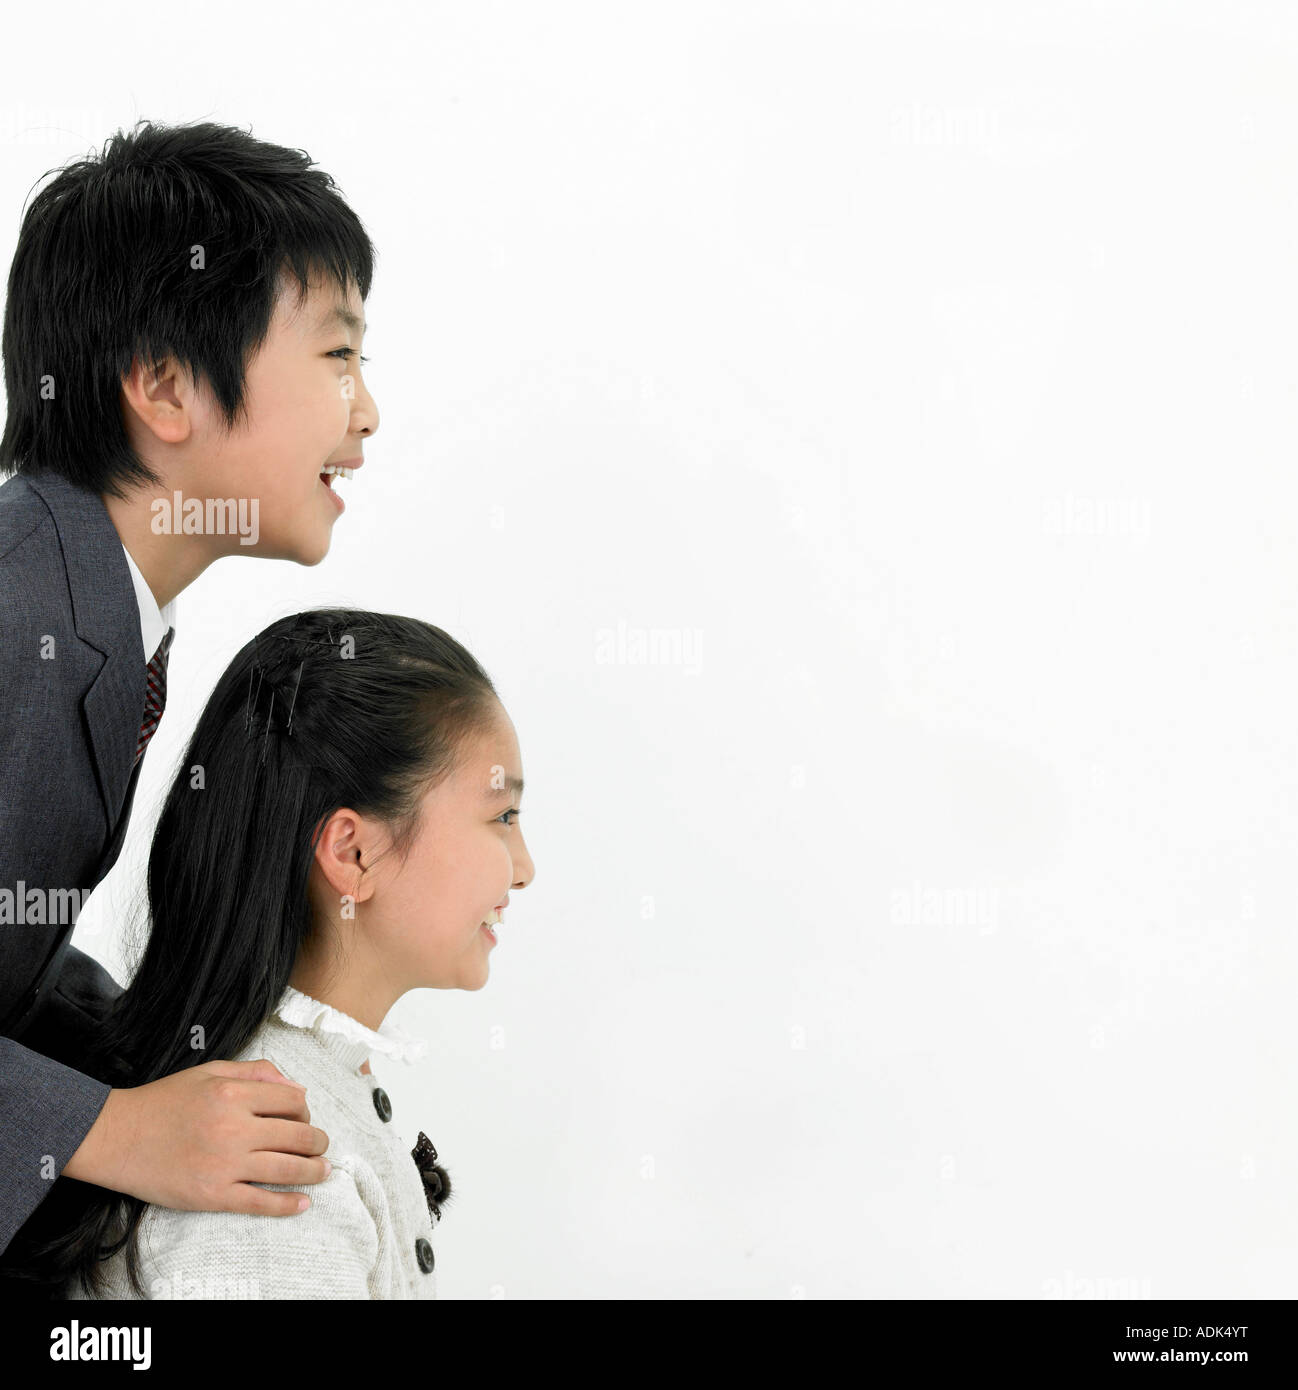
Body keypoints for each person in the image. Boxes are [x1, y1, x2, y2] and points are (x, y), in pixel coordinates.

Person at [0, 119, 379, 1261]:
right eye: (336, 356)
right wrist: (112, 1128)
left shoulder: (79, 596)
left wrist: (110, 1028)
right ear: (166, 388)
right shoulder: (28, 623)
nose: (366, 412)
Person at [4, 607, 533, 1299]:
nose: (523, 868)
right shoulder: (276, 1177)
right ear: (354, 852)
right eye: (502, 818)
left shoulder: (287, 1101)